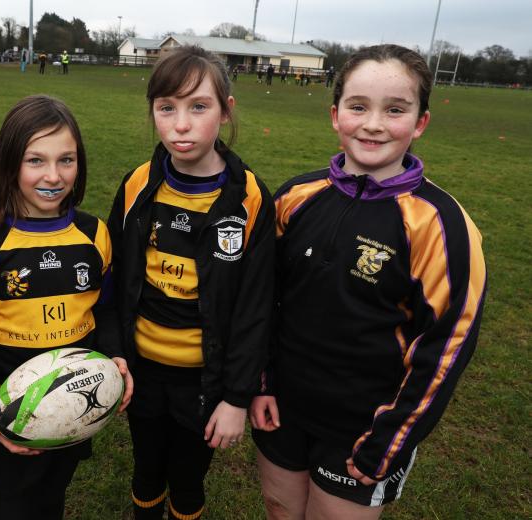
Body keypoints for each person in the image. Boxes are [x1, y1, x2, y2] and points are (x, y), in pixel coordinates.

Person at [250, 43, 486, 519]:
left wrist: (391, 437)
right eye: (358, 107)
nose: (374, 124)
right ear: (335, 115)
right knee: (279, 508)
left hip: (363, 426)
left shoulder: (441, 225)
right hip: (284, 406)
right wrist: (262, 382)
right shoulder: (295, 196)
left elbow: (446, 344)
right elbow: (263, 301)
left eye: (395, 110)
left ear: (420, 122)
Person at [107, 45, 275, 520]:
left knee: (186, 479)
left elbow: (256, 307)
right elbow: (115, 280)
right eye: (167, 108)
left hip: (205, 379)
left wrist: (236, 397)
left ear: (226, 111)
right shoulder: (138, 184)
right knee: (146, 469)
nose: (181, 125)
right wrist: (116, 354)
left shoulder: (250, 199)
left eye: (198, 107)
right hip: (142, 371)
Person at [0, 94, 133, 520]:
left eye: (66, 160)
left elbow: (105, 310)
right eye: (36, 160)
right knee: (12, 504)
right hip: (11, 406)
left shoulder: (94, 234)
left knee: (53, 495)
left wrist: (115, 354)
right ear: (9, 163)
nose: (54, 176)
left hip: (72, 400)